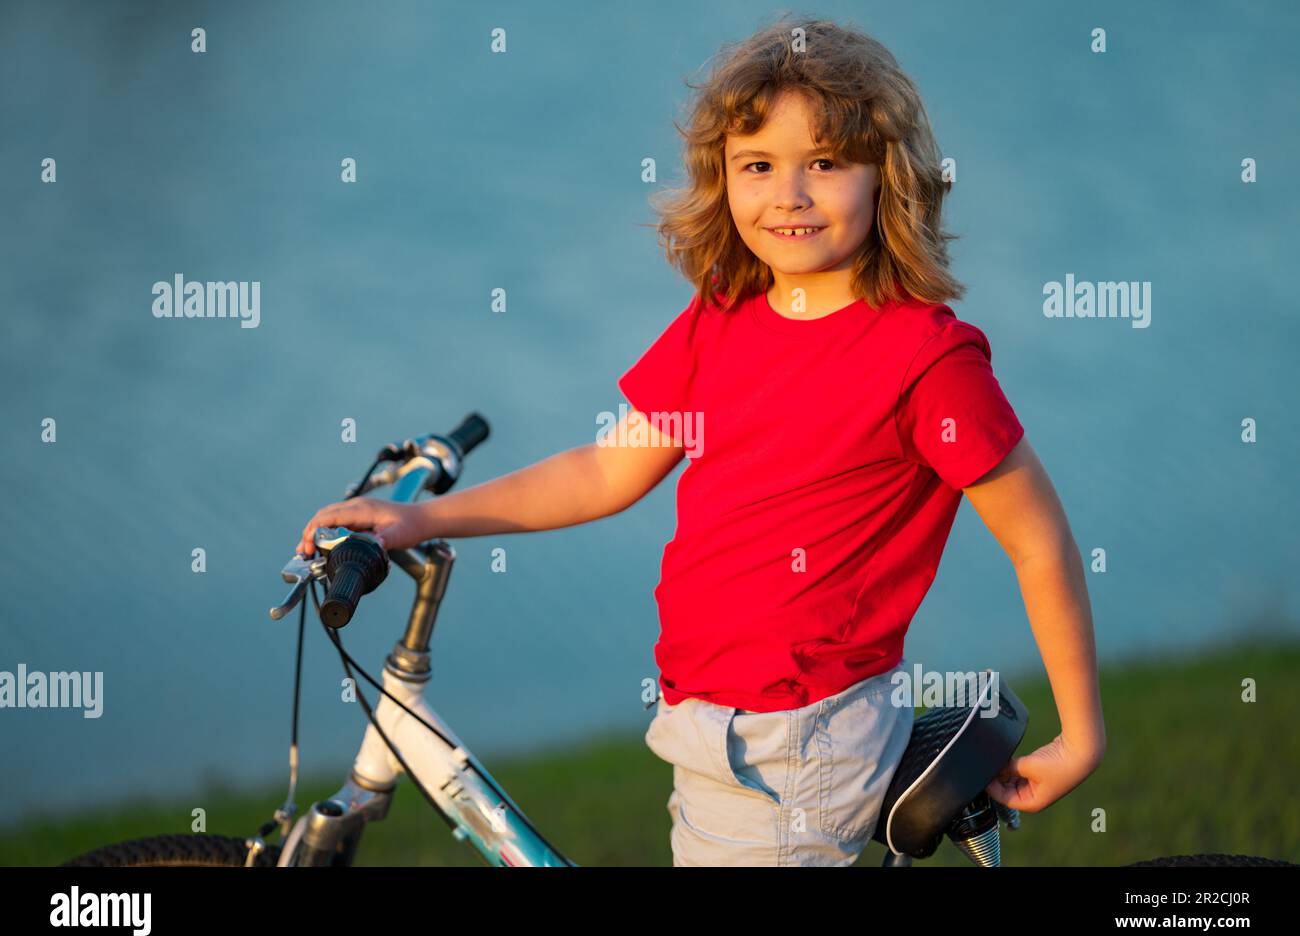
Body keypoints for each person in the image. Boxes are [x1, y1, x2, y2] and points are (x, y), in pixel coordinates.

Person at [297, 16, 1105, 866]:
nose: (789, 194)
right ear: (722, 181)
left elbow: (1037, 539)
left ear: (886, 177)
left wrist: (1080, 734)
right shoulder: (722, 317)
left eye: (824, 163)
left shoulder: (923, 359)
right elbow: (606, 470)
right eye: (758, 166)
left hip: (800, 740)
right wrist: (420, 519)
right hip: (712, 724)